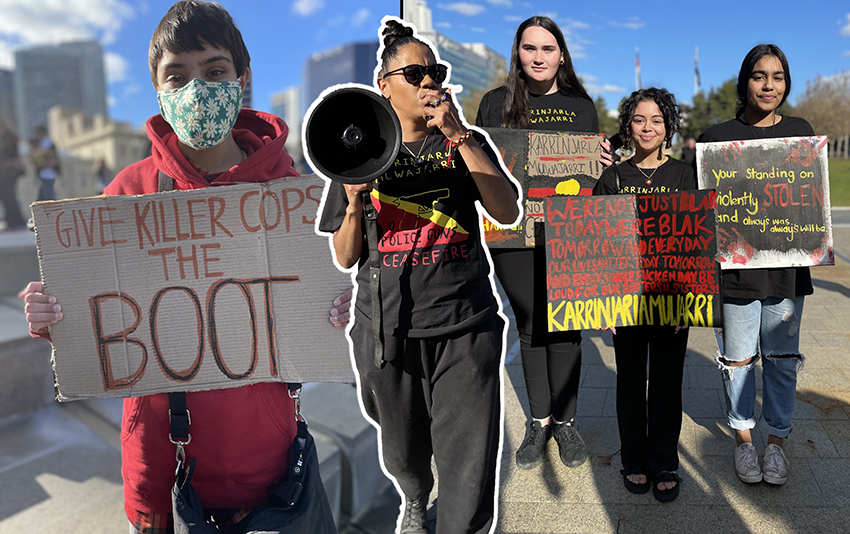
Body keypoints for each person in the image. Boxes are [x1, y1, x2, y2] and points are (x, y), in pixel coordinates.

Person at [19, 2, 313, 532]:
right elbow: (98, 316)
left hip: (265, 465)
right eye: (177, 75)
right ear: (158, 90)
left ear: (243, 80)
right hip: (159, 467)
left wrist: (336, 307)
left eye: (215, 71)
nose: (197, 88)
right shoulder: (126, 191)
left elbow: (324, 307)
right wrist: (53, 311)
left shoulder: (288, 193)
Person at [318, 17, 519, 534]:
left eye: (436, 71)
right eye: (415, 73)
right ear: (383, 85)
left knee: (468, 465)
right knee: (403, 448)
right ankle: (413, 494)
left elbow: (507, 210)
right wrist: (354, 200)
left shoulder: (464, 143)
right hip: (386, 329)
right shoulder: (355, 151)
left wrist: (461, 138)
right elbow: (344, 256)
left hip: (464, 324)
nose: (430, 81)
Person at [475, 16, 613, 471]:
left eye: (548, 49)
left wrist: (603, 159)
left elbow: (594, 176)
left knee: (567, 325)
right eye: (529, 48)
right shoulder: (495, 105)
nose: (538, 57)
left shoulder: (581, 106)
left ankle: (567, 423)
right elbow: (481, 167)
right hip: (513, 235)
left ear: (561, 55)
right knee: (532, 324)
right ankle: (540, 422)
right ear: (517, 51)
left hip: (569, 231)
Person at [699, 44, 813, 486]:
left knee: (782, 361)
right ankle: (744, 442)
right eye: (759, 76)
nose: (769, 85)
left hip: (786, 270)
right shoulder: (715, 139)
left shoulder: (801, 131)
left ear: (786, 82)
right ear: (744, 81)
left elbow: (808, 199)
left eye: (778, 76)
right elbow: (700, 213)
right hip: (736, 273)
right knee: (738, 360)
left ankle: (777, 443)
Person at [593, 87, 694, 503]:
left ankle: (664, 460)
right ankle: (633, 459)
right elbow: (598, 241)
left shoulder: (685, 174)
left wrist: (691, 299)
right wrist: (601, 302)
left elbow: (698, 242)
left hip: (672, 296)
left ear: (668, 126)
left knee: (668, 383)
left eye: (656, 119)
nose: (648, 127)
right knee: (631, 382)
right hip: (626, 298)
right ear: (628, 127)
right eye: (639, 119)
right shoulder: (613, 177)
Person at [0, 122, 26, 231]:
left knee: (9, 197)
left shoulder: (8, 137)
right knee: (8, 198)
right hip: (7, 173)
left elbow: (8, 155)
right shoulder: (9, 136)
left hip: (8, 173)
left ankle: (16, 222)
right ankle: (13, 222)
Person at [31, 125, 59, 202]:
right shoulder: (42, 143)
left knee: (49, 200)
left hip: (47, 175)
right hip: (43, 175)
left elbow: (52, 160)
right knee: (40, 201)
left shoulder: (47, 143)